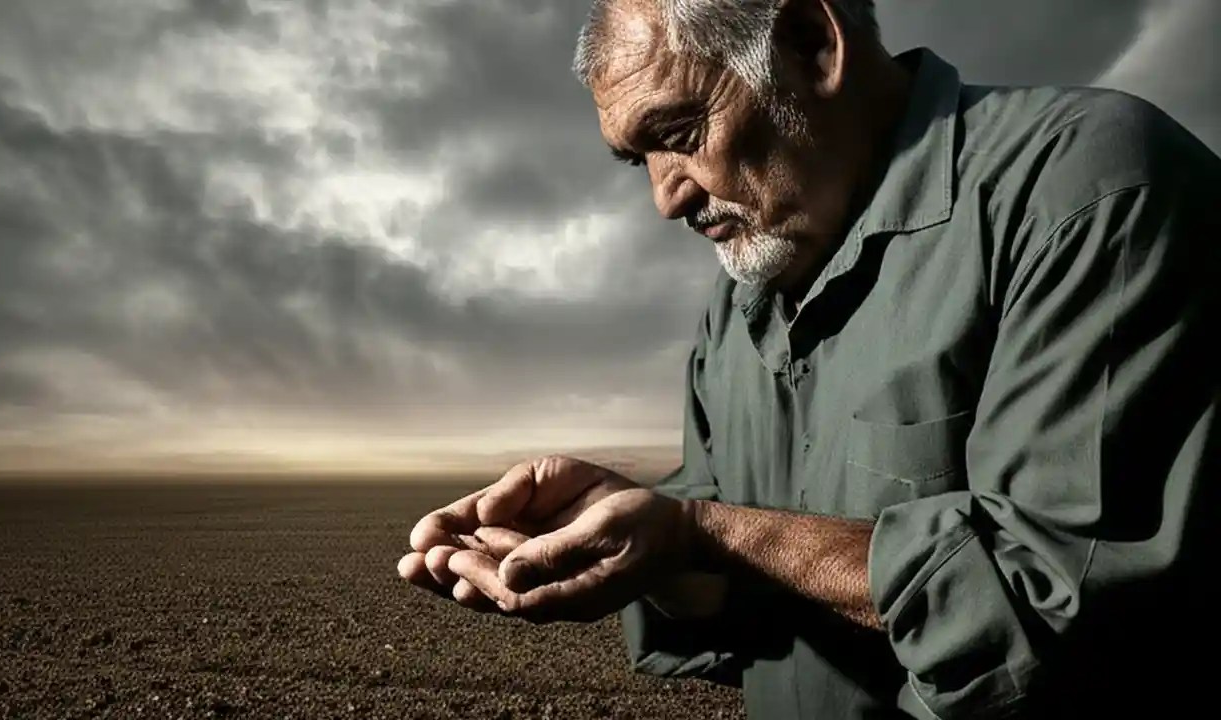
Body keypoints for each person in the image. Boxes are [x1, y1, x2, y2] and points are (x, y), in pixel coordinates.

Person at [398, 0, 1221, 717]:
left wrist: (704, 533)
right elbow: (747, 608)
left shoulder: (1087, 191)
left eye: (679, 133)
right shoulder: (743, 294)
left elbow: (1057, 614)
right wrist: (633, 545)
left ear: (811, 42)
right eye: (637, 158)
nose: (665, 196)